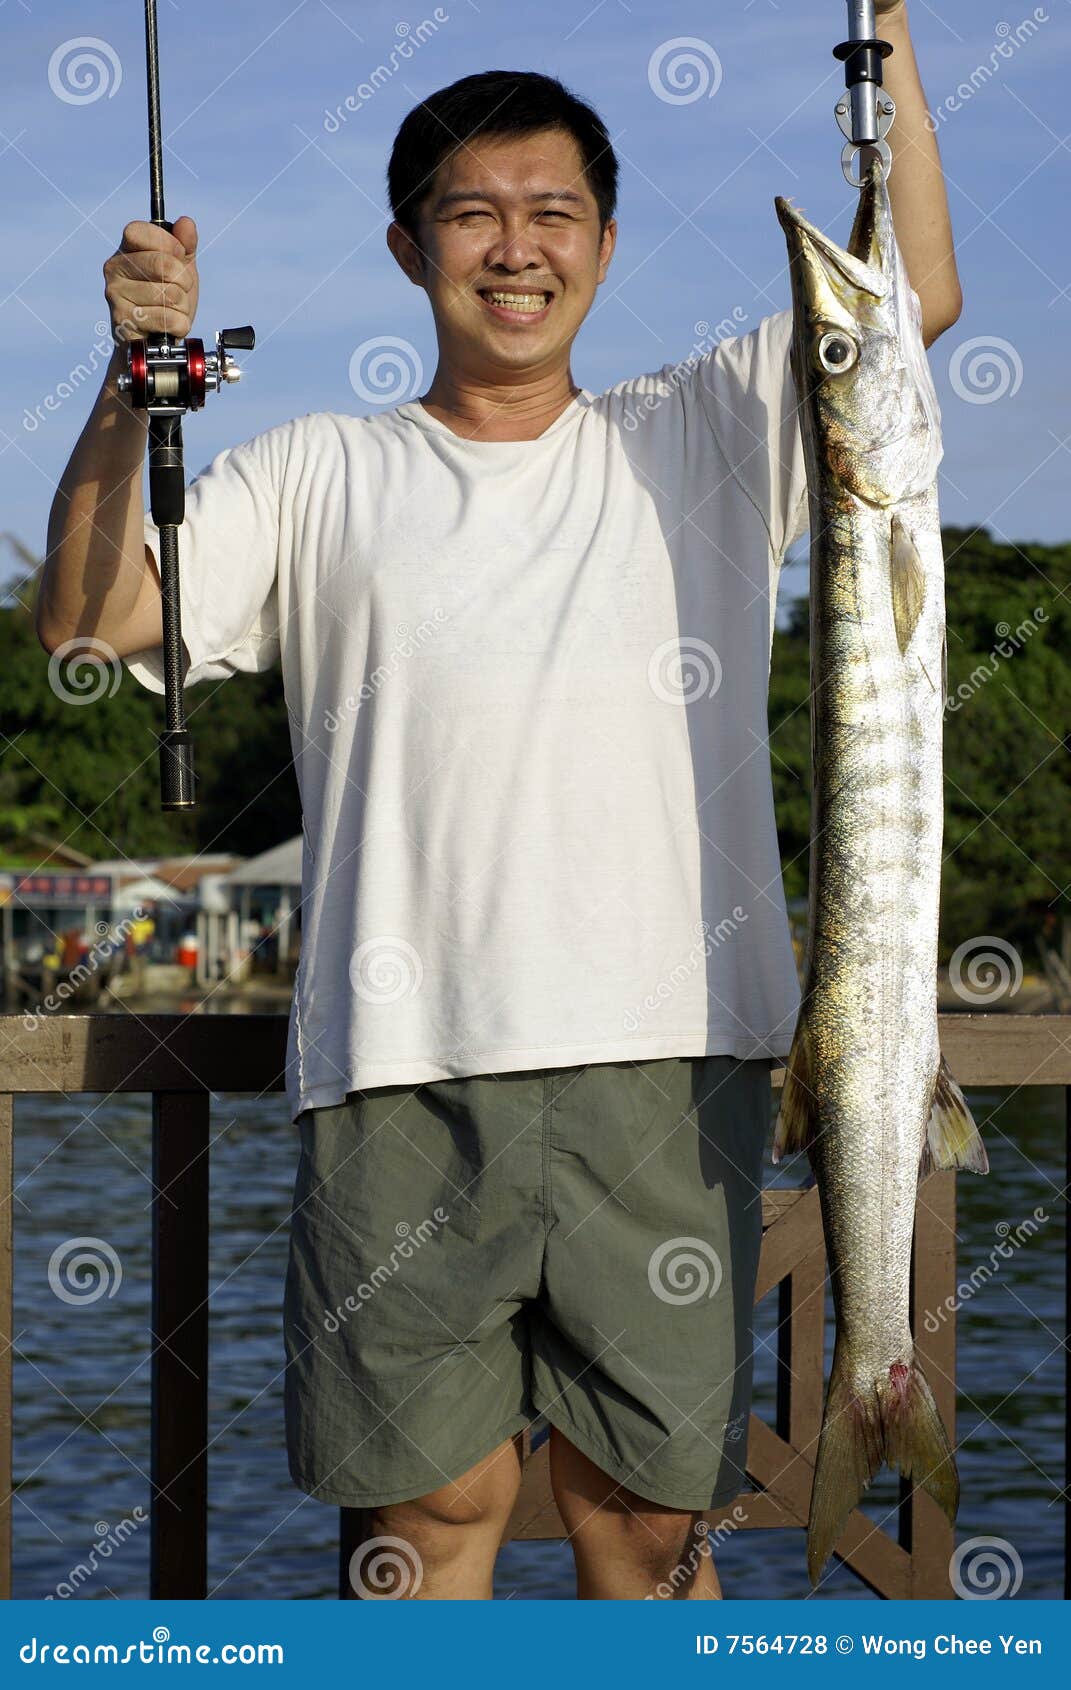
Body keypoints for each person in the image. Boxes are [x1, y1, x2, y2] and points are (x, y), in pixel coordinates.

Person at [36, 3, 962, 1600]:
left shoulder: (709, 431)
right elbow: (93, 618)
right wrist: (135, 380)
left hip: (669, 1068)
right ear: (410, 250)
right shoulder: (315, 469)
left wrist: (884, 30)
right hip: (398, 1069)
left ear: (603, 243)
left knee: (652, 1525)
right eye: (474, 212)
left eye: (553, 214)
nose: (514, 247)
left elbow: (914, 302)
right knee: (422, 1522)